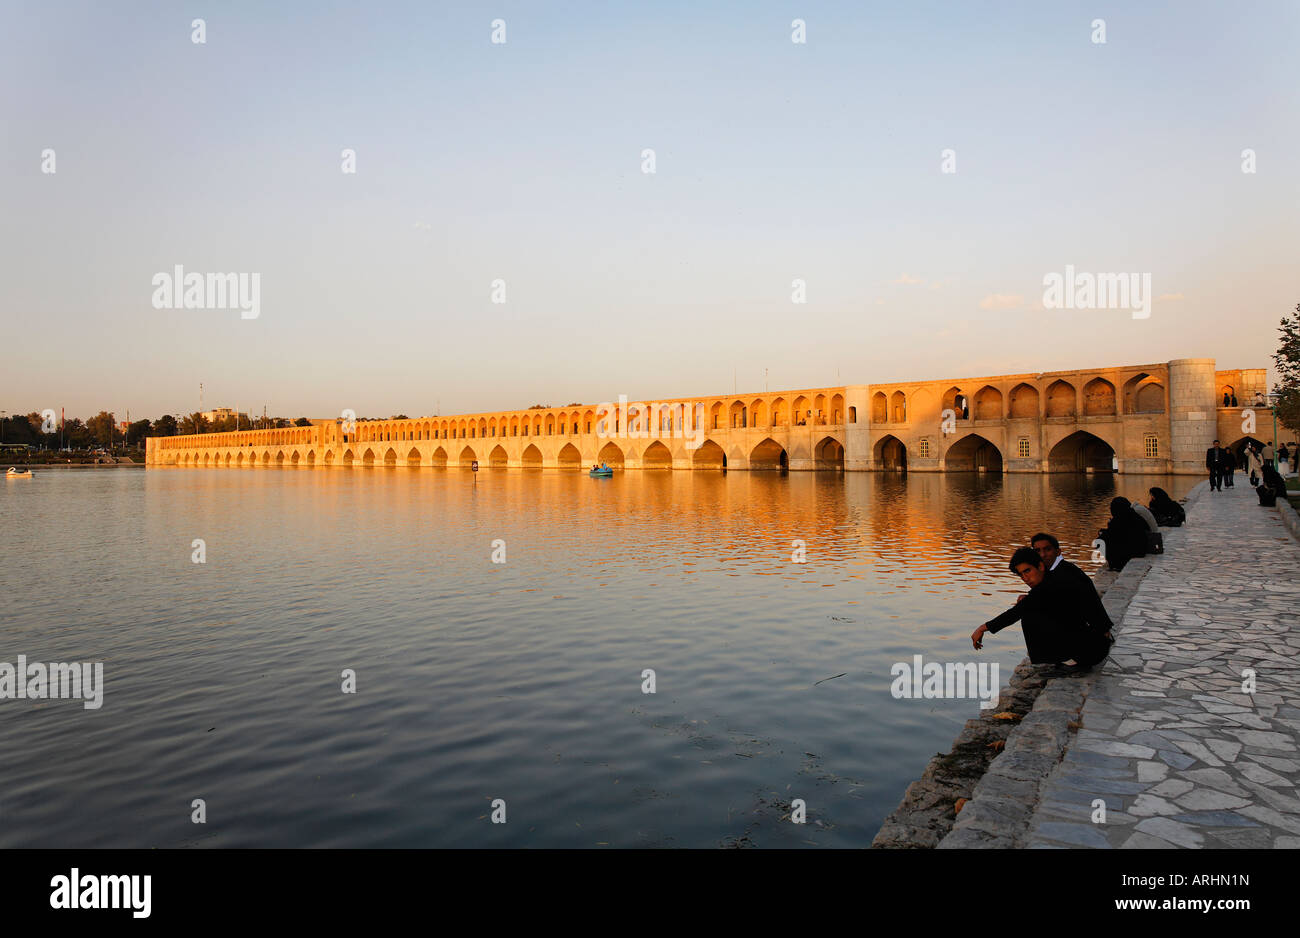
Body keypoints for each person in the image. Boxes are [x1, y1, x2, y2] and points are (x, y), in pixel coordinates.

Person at [971, 547, 1112, 669]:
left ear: (1040, 566)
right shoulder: (1055, 578)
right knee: (1030, 608)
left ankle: (1069, 661)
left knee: (1029, 615)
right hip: (1096, 645)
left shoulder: (1048, 587)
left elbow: (1014, 614)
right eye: (1021, 574)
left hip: (1091, 651)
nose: (1025, 578)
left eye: (1028, 571)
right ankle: (1067, 658)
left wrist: (982, 628)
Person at [1029, 533, 1114, 642]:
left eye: (1047, 549)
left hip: (1093, 637)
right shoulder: (1056, 570)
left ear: (1058, 552)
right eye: (1037, 551)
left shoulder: (1066, 574)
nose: (1042, 555)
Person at [1097, 497, 1148, 571]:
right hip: (1141, 550)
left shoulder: (1118, 520)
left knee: (1099, 541)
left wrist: (1104, 532)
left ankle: (1115, 563)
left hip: (1130, 552)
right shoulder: (1135, 516)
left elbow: (1112, 535)